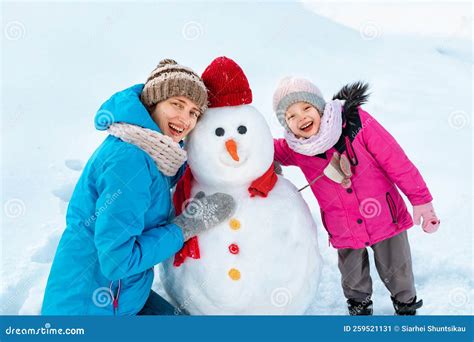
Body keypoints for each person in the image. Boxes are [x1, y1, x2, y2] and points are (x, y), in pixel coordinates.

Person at [42, 59, 235, 315]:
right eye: (176, 104)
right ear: (153, 103)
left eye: (193, 112)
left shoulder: (151, 150)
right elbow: (118, 261)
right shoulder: (129, 160)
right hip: (88, 308)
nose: (185, 119)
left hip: (122, 295)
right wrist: (184, 228)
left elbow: (164, 179)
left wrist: (235, 167)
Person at [272, 77, 440, 315]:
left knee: (396, 265)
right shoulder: (297, 149)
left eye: (306, 108)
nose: (301, 118)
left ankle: (406, 305)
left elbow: (396, 160)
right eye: (290, 116)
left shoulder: (355, 123)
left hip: (385, 215)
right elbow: (263, 149)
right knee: (352, 272)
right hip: (344, 225)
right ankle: (359, 309)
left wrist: (421, 200)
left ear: (319, 107)